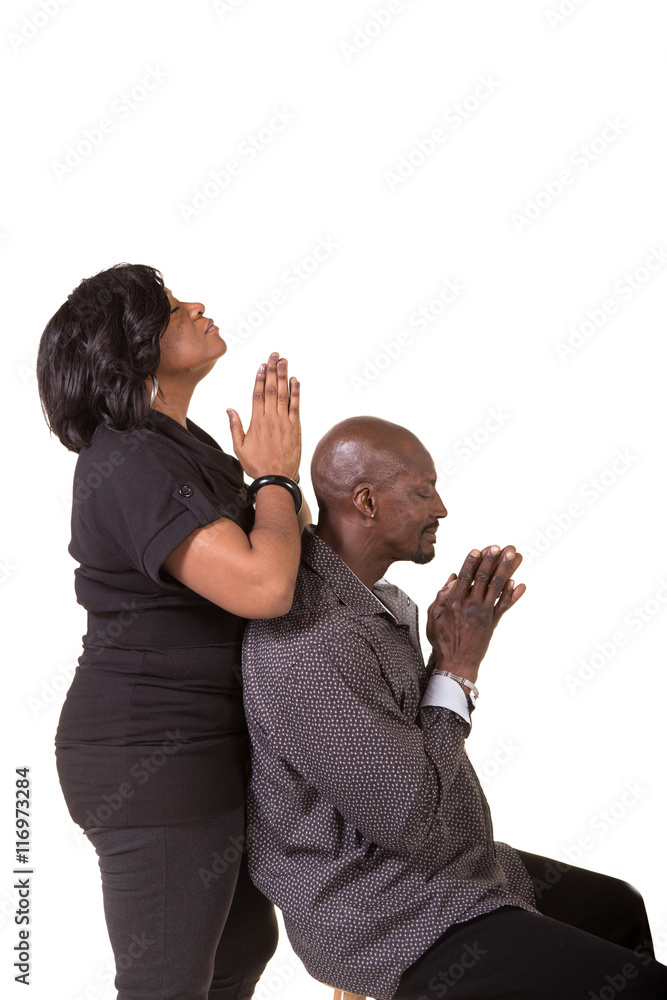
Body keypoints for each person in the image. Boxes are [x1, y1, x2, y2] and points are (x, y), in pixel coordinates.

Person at [241, 415, 667, 1000]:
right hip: (391, 917)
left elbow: (415, 764)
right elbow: (417, 821)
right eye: (421, 491)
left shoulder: (377, 604)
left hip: (456, 873)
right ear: (366, 501)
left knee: (617, 908)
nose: (440, 506)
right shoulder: (312, 644)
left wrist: (446, 657)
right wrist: (457, 669)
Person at [37, 262, 309, 1000]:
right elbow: (263, 585)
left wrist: (271, 481)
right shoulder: (129, 459)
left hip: (203, 748)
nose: (195, 304)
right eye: (167, 306)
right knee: (166, 983)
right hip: (150, 753)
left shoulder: (180, 446)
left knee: (241, 948)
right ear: (129, 346)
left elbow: (289, 554)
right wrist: (277, 479)